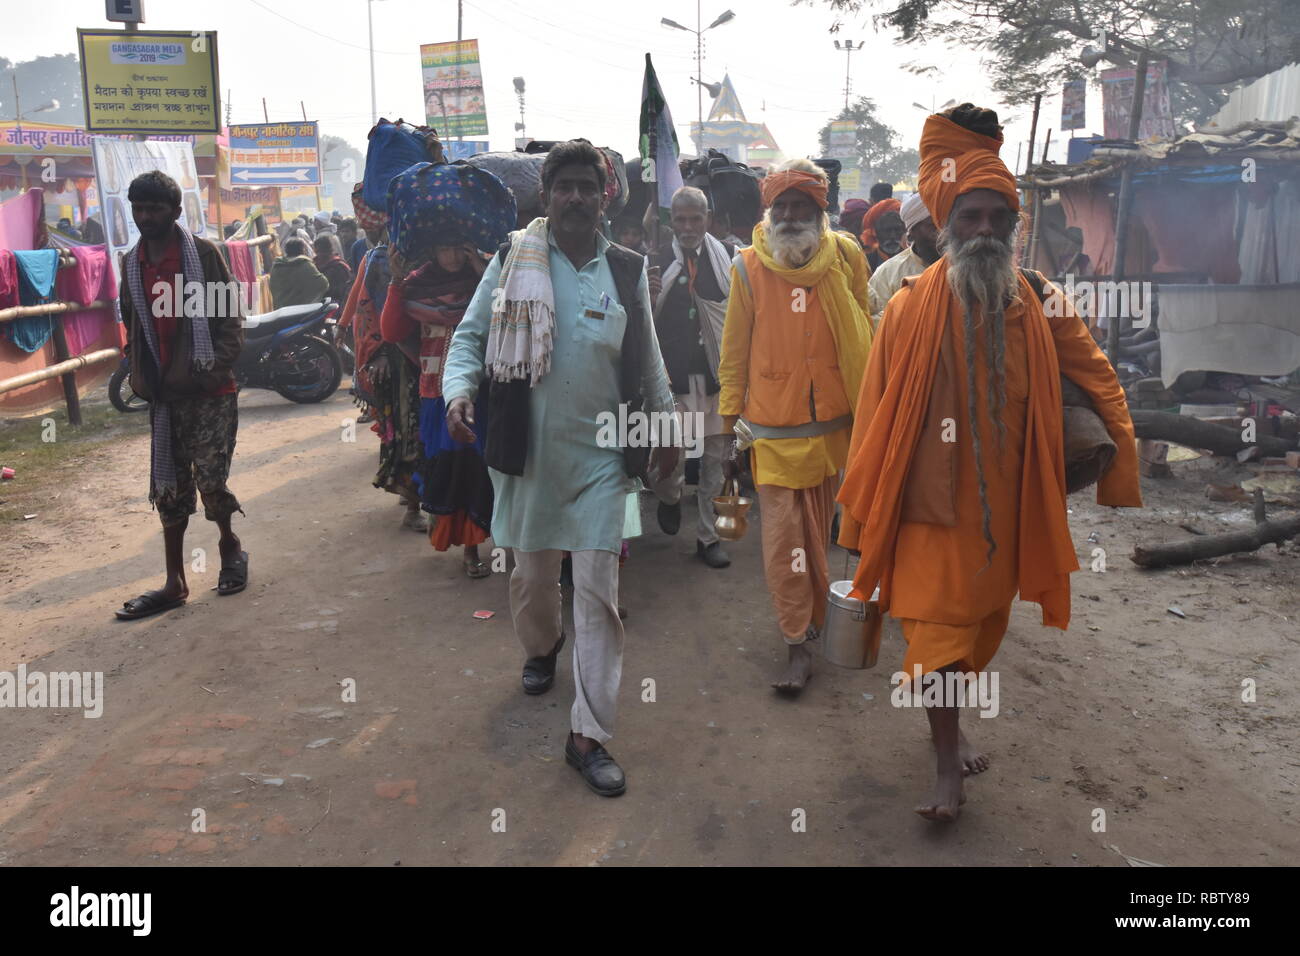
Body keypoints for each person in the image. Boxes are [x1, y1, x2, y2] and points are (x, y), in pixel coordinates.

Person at [837, 103, 1142, 821]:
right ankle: (946, 761)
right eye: (968, 218)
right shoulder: (909, 308)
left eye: (994, 220)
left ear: (1013, 228)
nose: (981, 231)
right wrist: (861, 514)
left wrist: (1121, 461)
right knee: (939, 631)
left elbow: (1097, 377)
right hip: (926, 511)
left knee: (980, 630)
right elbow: (875, 413)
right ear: (946, 226)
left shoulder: (1038, 300)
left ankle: (953, 723)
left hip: (1007, 508)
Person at [443, 139, 678, 797]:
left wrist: (666, 432)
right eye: (564, 186)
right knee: (533, 579)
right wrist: (459, 390)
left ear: (606, 197)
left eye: (587, 186)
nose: (576, 197)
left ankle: (589, 735)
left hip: (605, 461)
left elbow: (650, 362)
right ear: (547, 196)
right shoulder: (512, 258)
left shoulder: (627, 269)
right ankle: (541, 649)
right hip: (527, 459)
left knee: (600, 593)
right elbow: (469, 337)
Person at [716, 157, 872, 693]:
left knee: (819, 538)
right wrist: (726, 424)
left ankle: (821, 623)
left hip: (835, 427)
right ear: (768, 210)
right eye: (779, 206)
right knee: (785, 542)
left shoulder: (846, 255)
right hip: (773, 431)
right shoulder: (746, 267)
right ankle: (795, 646)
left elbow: (863, 326)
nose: (787, 215)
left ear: (819, 212)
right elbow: (734, 350)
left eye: (799, 206)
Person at [114, 170, 247, 620]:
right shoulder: (132, 265)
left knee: (211, 480)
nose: (145, 216)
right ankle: (176, 581)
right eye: (139, 208)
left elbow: (229, 320)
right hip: (164, 398)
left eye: (154, 208)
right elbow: (130, 326)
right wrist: (143, 373)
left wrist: (210, 370)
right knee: (169, 488)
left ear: (175, 211)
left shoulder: (204, 256)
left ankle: (230, 546)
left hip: (210, 391)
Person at [648, 186, 735, 569]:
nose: (687, 226)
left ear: (707, 219)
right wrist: (646, 298)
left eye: (694, 218)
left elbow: (740, 314)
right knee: (670, 461)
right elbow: (638, 322)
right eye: (680, 219)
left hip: (715, 377)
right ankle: (668, 499)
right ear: (671, 221)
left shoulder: (730, 259)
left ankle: (708, 537)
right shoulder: (652, 260)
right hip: (670, 379)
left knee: (716, 462)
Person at [867, 193, 940, 316]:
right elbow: (878, 325)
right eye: (932, 226)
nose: (941, 233)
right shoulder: (887, 274)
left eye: (945, 225)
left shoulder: (967, 268)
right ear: (910, 232)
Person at [269, 237, 329, 307]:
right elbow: (323, 284)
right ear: (302, 250)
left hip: (280, 310)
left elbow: (273, 287)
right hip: (301, 312)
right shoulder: (305, 264)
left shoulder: (276, 266)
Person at [860, 198, 904, 271]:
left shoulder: (915, 259)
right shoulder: (865, 262)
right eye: (887, 230)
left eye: (897, 230)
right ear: (875, 232)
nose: (892, 236)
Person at [313, 233, 353, 305]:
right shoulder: (313, 266)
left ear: (329, 251)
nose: (319, 255)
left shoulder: (340, 266)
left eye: (322, 251)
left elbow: (344, 290)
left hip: (336, 305)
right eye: (317, 252)